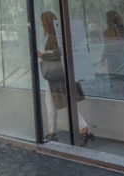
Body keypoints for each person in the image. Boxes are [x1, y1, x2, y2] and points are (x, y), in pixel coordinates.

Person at [37, 11, 90, 142]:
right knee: (56, 102)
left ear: (46, 23)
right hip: (57, 75)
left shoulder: (55, 36)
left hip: (56, 75)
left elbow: (60, 52)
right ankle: (54, 132)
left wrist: (42, 55)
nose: (41, 24)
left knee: (61, 102)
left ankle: (79, 129)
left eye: (42, 22)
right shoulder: (57, 34)